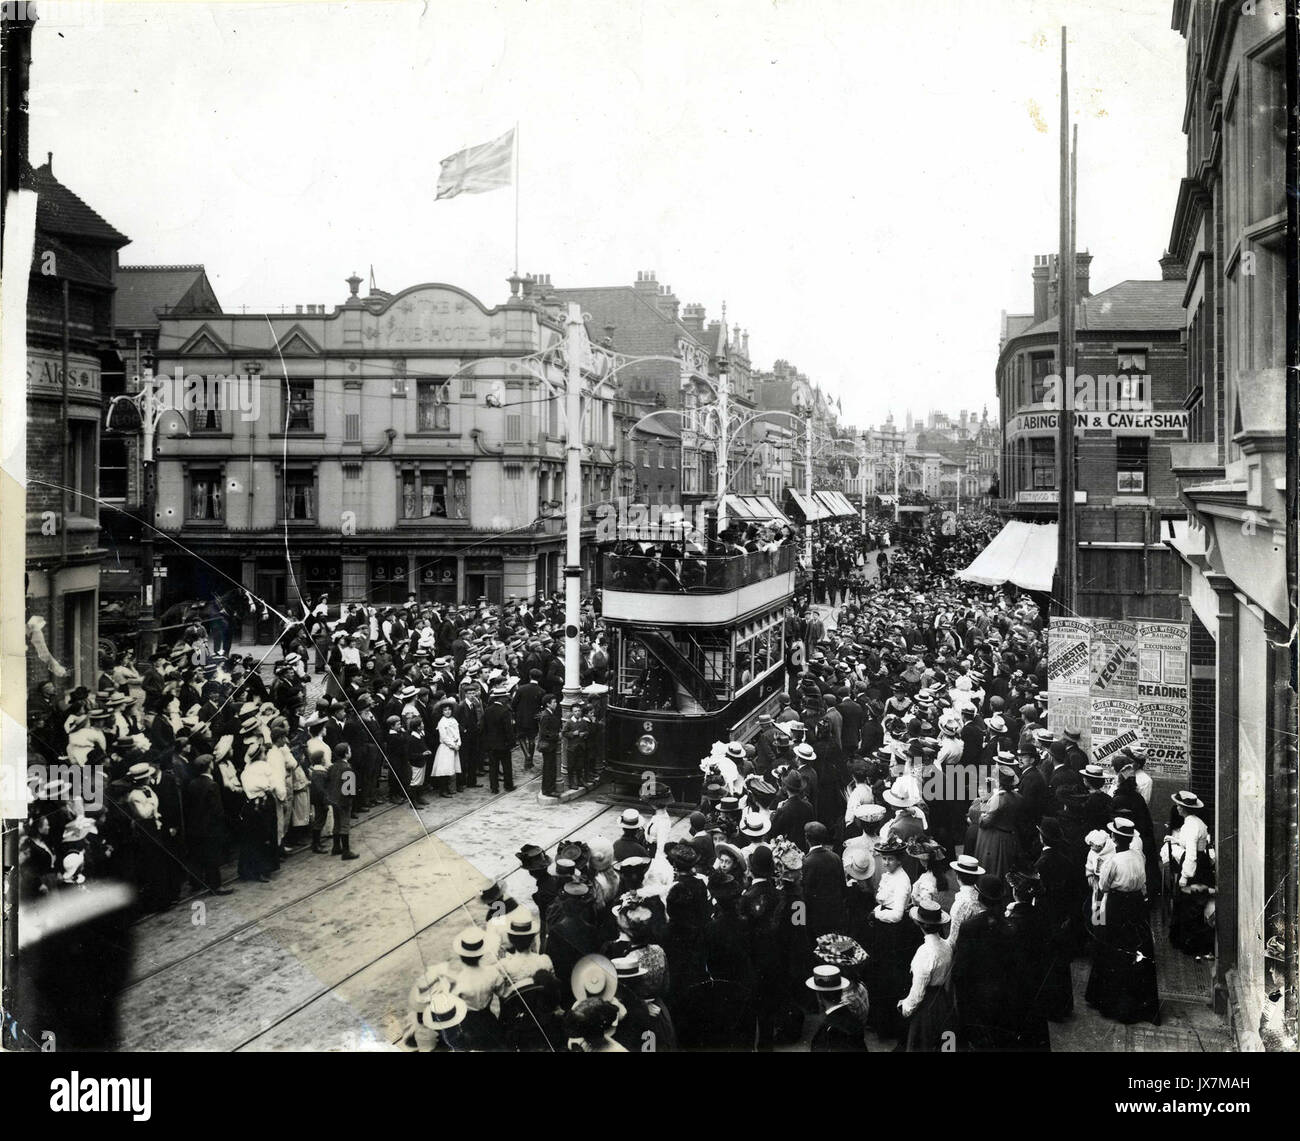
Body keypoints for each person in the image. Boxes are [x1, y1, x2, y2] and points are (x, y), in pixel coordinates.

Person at [1085, 818, 1160, 1025]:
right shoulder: (1138, 856)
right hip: (1136, 905)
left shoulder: (1113, 861)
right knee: (1135, 948)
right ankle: (1137, 1001)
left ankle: (1112, 1002)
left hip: (1117, 905)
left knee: (1113, 948)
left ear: (1115, 839)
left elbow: (1104, 885)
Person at [899, 899, 956, 1052]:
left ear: (919, 924)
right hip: (943, 1002)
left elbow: (918, 991)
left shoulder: (924, 953)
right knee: (944, 1044)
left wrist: (905, 1007)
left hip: (926, 1006)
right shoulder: (947, 946)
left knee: (923, 1044)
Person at [1164, 791, 1215, 958]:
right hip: (1201, 863)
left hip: (1195, 867)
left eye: (1179, 806)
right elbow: (1195, 843)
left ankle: (1191, 944)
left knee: (1189, 905)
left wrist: (1185, 876)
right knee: (1192, 904)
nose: (1177, 808)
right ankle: (1189, 941)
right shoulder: (1196, 823)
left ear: (1184, 808)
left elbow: (1192, 853)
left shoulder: (1189, 825)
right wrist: (1176, 840)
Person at [482, 684, 516, 794]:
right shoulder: (505, 711)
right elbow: (508, 729)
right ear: (501, 698)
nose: (507, 699)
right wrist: (511, 742)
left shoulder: (488, 710)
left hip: (491, 744)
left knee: (493, 767)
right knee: (506, 766)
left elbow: (484, 728)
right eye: (506, 697)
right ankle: (508, 785)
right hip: (503, 744)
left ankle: (494, 787)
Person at [432, 699, 462, 799]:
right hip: (446, 748)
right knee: (445, 770)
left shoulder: (454, 720)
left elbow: (457, 733)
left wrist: (458, 743)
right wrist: (453, 745)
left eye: (449, 710)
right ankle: (443, 790)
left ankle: (451, 788)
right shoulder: (442, 722)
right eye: (445, 710)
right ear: (442, 712)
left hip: (454, 747)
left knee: (452, 769)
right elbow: (444, 737)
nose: (448, 712)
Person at [537, 693, 562, 798]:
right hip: (548, 746)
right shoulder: (546, 715)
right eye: (554, 702)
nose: (555, 704)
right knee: (549, 767)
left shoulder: (549, 713)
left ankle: (549, 788)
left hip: (550, 745)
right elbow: (544, 733)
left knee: (550, 767)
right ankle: (548, 790)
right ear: (548, 704)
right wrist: (557, 735)